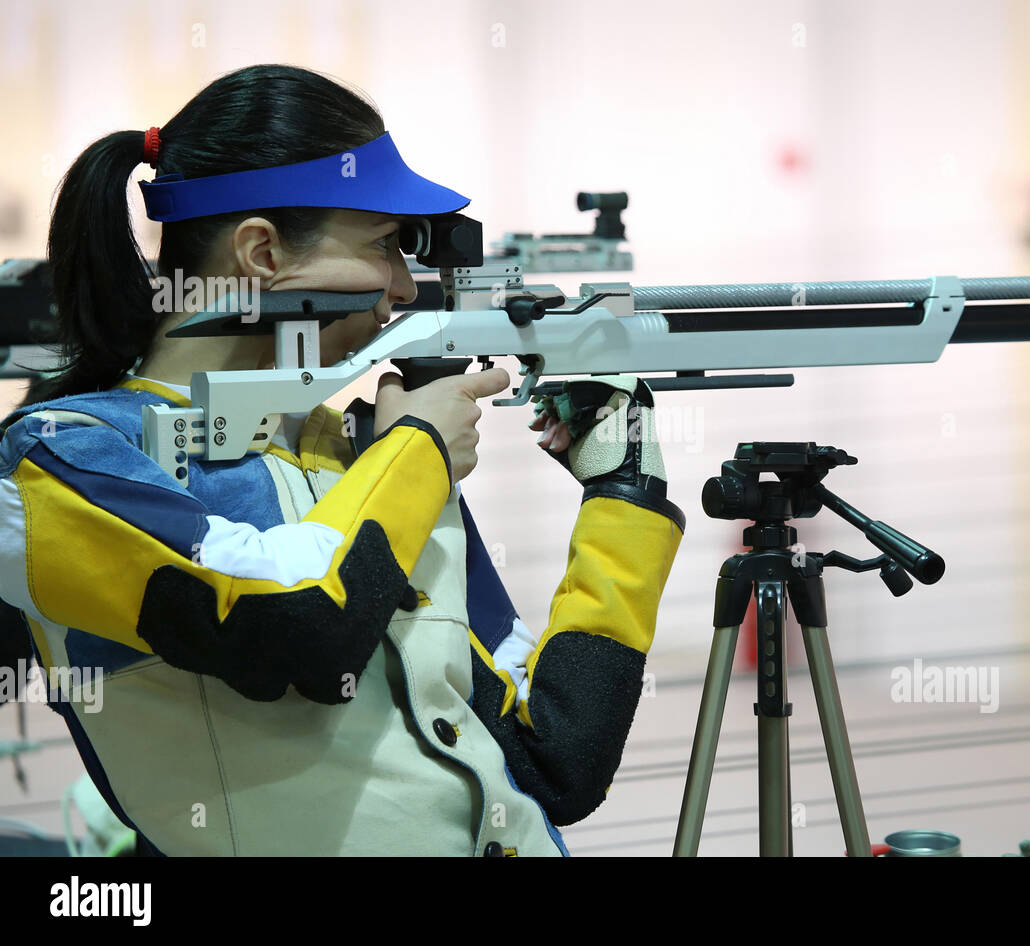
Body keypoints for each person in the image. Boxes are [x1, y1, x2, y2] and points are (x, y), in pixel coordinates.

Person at [0, 64, 685, 856]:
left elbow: (557, 759)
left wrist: (624, 494)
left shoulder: (355, 451)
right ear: (260, 251)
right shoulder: (58, 460)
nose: (402, 287)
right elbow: (294, 625)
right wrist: (417, 450)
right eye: (386, 245)